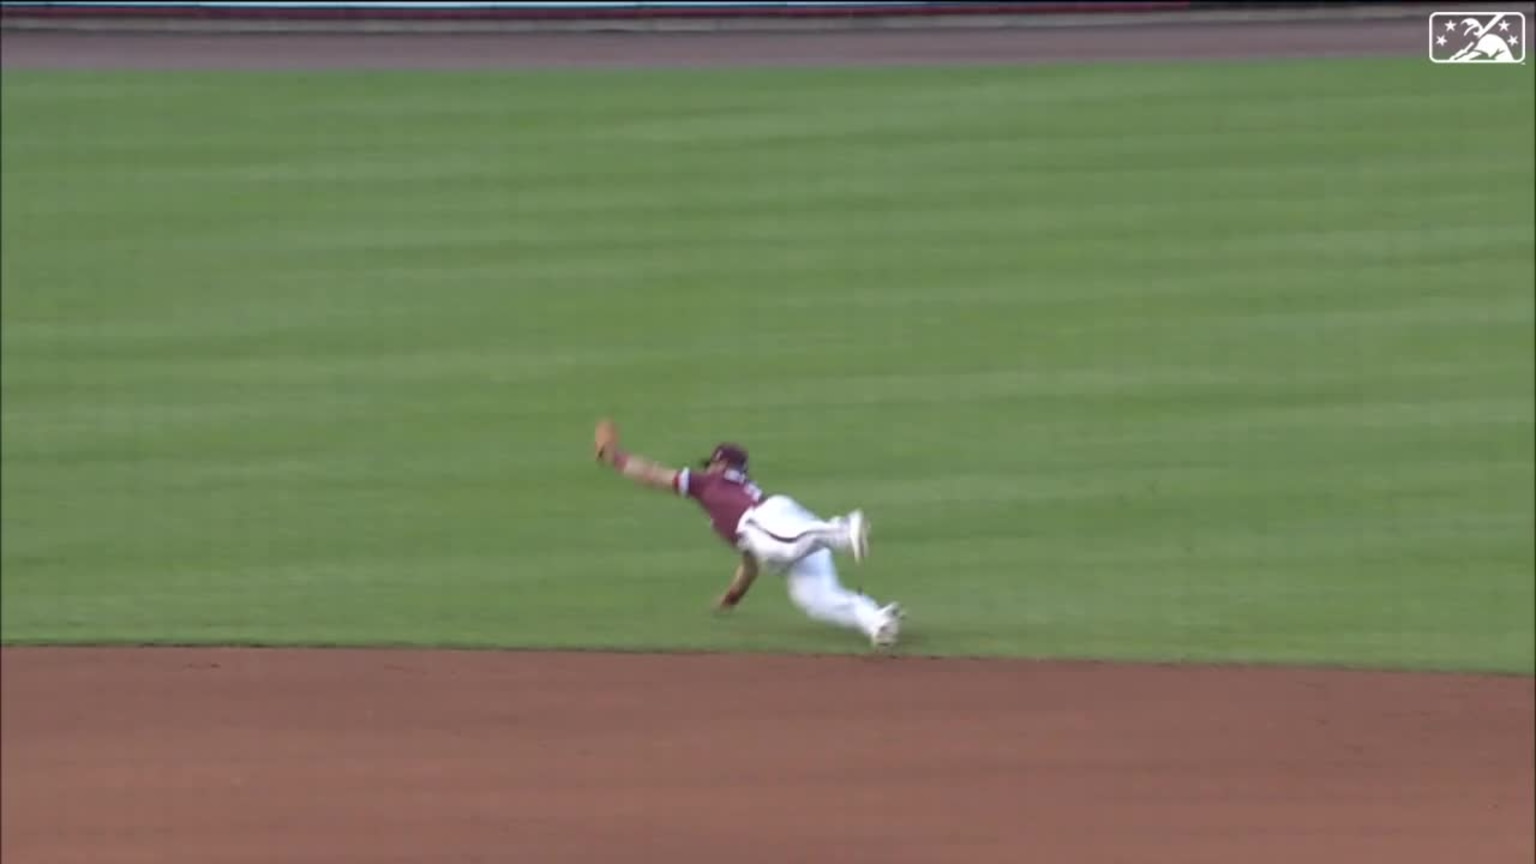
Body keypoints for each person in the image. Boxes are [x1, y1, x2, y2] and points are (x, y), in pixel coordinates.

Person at [594, 420, 903, 649]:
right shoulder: (729, 504)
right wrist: (731, 598)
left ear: (722, 463)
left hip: (770, 521)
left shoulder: (710, 484)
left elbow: (652, 475)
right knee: (817, 600)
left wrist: (615, 457)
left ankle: (843, 529)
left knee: (780, 546)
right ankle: (878, 621)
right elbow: (750, 564)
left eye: (713, 462)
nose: (709, 467)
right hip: (785, 532)